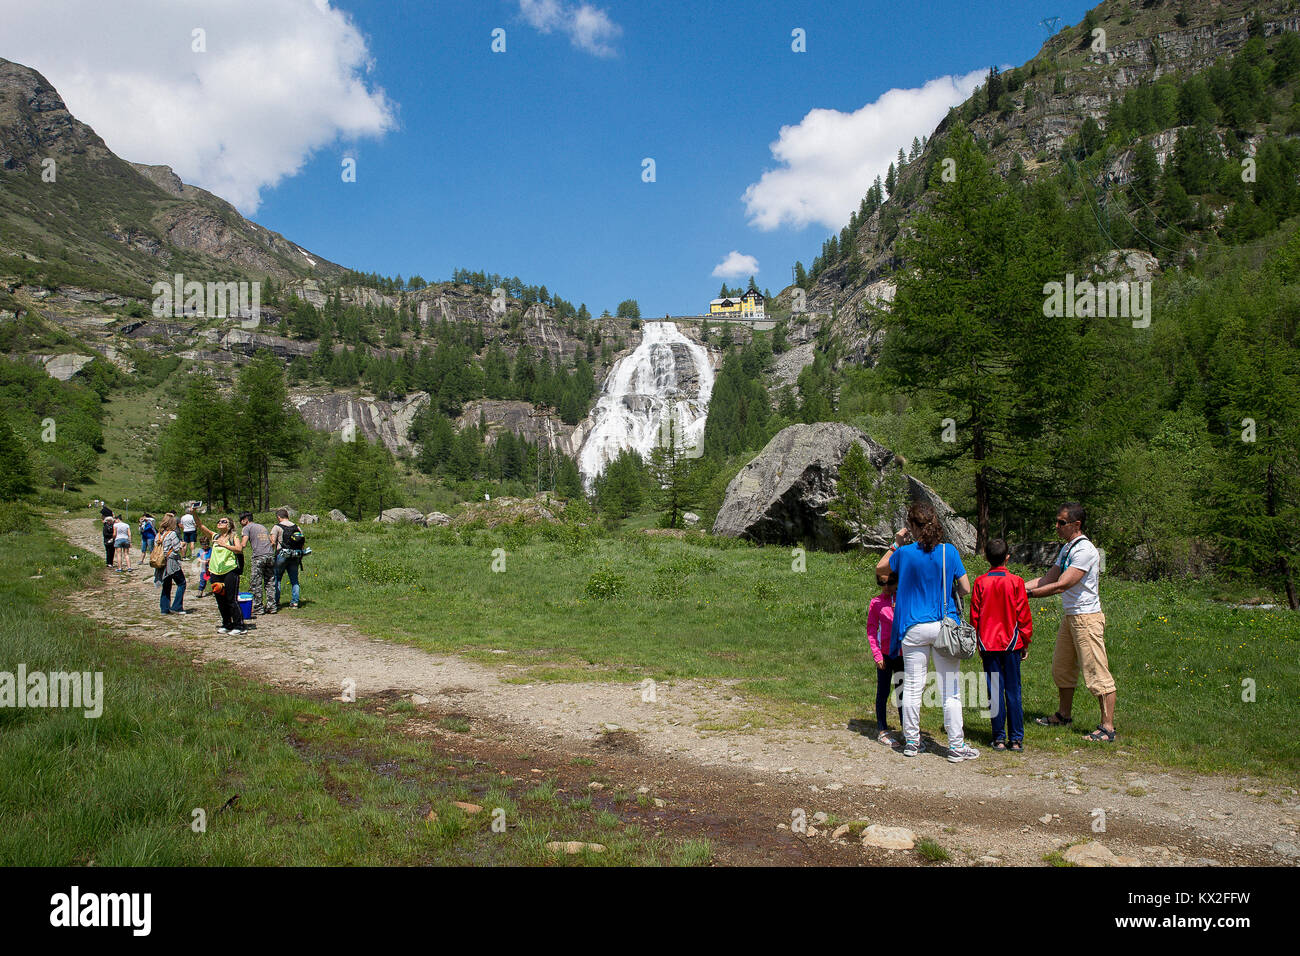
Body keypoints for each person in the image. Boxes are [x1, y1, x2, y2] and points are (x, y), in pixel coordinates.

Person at [875, 500, 976, 762]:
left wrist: (896, 541)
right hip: (943, 625)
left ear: (912, 526)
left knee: (912, 687)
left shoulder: (905, 553)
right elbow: (965, 588)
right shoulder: (949, 552)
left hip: (912, 627)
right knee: (950, 689)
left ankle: (911, 742)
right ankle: (955, 746)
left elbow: (881, 568)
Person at [1025, 502, 1117, 742]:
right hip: (1071, 617)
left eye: (1061, 523)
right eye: (1056, 521)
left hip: (1086, 618)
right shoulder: (1067, 548)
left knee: (1096, 672)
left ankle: (1107, 727)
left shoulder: (1085, 550)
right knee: (1062, 668)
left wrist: (1030, 595)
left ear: (1076, 524)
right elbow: (1048, 578)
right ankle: (1063, 715)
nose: (1057, 527)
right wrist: (1015, 586)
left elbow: (1063, 584)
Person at [970, 538, 1033, 751]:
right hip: (1012, 643)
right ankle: (1015, 739)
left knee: (994, 690)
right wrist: (1024, 640)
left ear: (986, 557)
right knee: (1013, 691)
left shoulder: (980, 582)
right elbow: (1023, 614)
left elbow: (975, 616)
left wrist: (978, 643)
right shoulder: (1016, 582)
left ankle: (998, 737)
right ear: (1007, 557)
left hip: (988, 644)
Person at [866, 570, 903, 748]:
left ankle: (907, 729)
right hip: (885, 654)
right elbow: (872, 630)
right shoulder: (876, 603)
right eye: (882, 583)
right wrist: (877, 654)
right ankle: (882, 729)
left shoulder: (903, 600)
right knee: (883, 691)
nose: (886, 587)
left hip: (902, 654)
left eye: (889, 583)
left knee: (902, 692)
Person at [199, 515, 245, 634]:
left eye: (223, 521)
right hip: (215, 572)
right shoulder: (215, 536)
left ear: (229, 525)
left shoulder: (233, 537)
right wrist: (193, 512)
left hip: (230, 570)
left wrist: (224, 545)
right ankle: (226, 623)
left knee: (231, 600)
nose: (220, 522)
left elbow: (239, 549)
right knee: (220, 600)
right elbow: (201, 526)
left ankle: (239, 626)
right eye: (219, 521)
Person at [239, 511, 275, 618]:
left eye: (241, 520)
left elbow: (244, 544)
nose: (240, 523)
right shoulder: (262, 527)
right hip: (270, 555)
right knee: (270, 581)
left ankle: (258, 608)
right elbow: (272, 542)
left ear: (245, 519)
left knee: (256, 582)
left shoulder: (246, 528)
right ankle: (271, 606)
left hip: (258, 557)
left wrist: (235, 548)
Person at [270, 508, 303, 610]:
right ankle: (295, 603)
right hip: (295, 555)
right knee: (294, 580)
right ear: (287, 516)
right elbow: (301, 541)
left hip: (282, 555)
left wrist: (271, 553)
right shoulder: (296, 527)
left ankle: (276, 601)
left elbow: (273, 542)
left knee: (277, 578)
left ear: (279, 517)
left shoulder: (277, 527)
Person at [156, 516, 190, 615]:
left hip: (161, 562)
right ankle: (177, 606)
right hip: (171, 562)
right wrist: (182, 545)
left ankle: (164, 608)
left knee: (166, 585)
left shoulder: (158, 535)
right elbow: (176, 549)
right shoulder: (172, 534)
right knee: (181, 583)